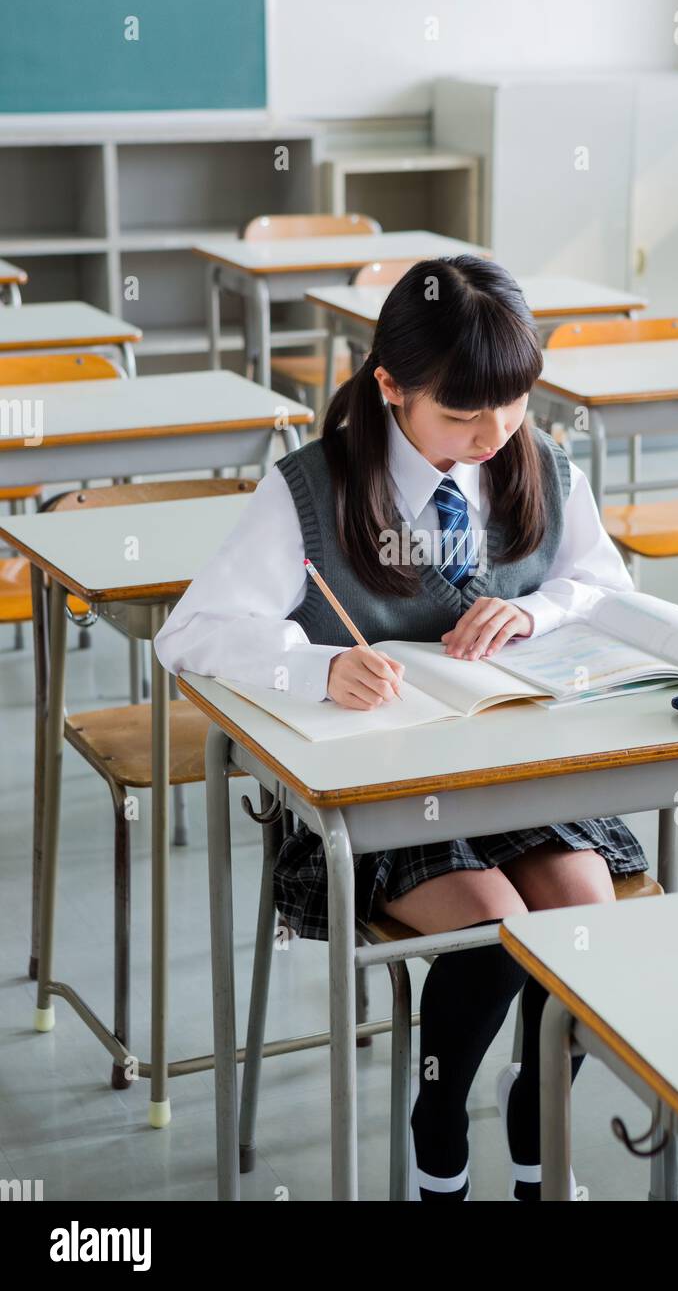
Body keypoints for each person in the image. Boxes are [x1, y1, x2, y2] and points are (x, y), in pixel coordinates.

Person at [155, 255, 648, 1201]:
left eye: (511, 405)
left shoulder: (530, 460)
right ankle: (438, 1119)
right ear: (389, 388)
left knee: (584, 910)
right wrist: (316, 665)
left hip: (513, 768)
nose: (492, 434)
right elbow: (193, 635)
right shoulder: (312, 488)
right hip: (376, 796)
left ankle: (538, 1122)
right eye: (462, 416)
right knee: (494, 929)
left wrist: (536, 612)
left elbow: (608, 589)